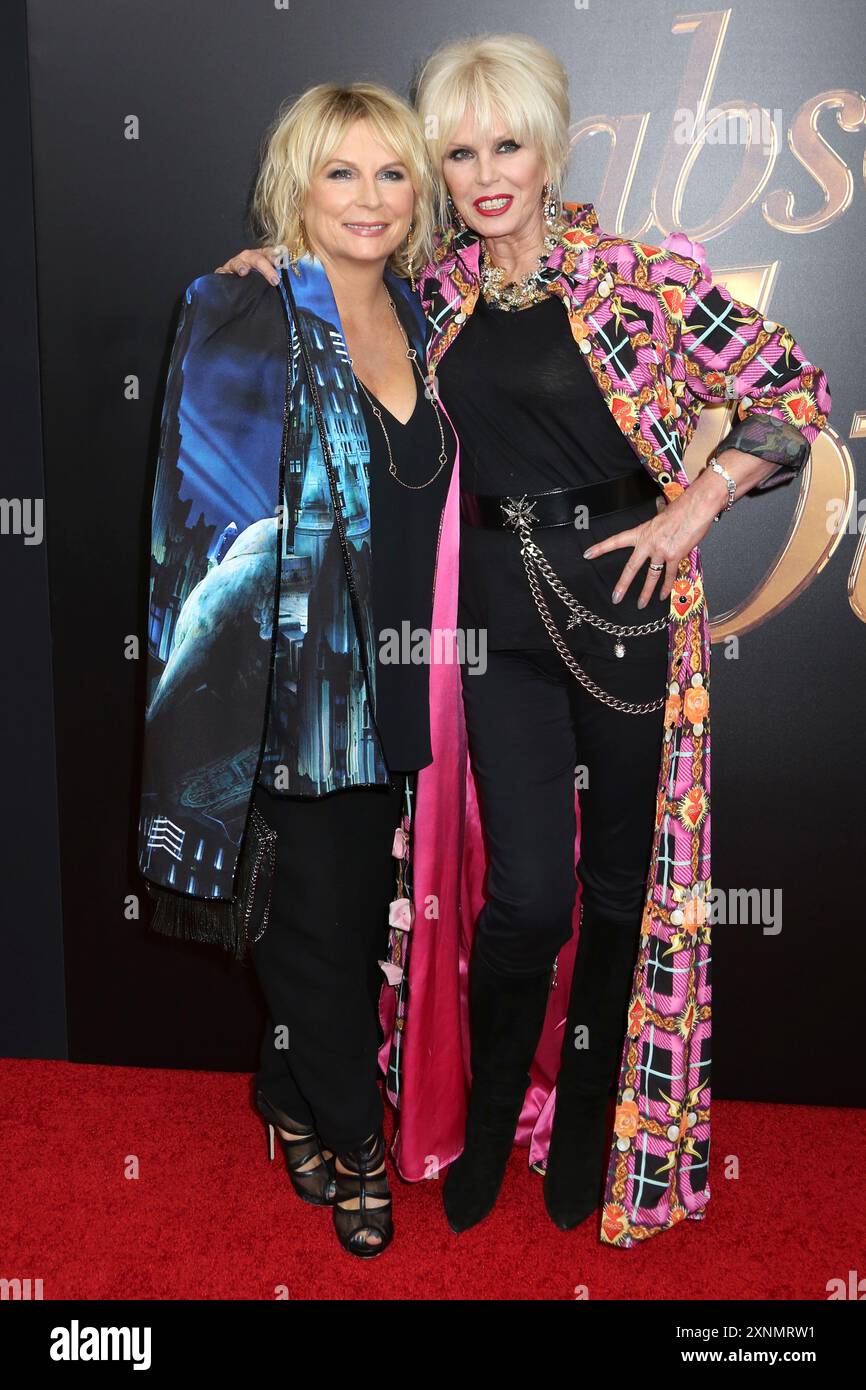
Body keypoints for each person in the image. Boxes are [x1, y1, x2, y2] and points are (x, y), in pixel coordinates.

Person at [213, 31, 830, 1248]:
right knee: (525, 900)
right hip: (484, 633)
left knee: (615, 893)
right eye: (457, 152)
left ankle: (592, 1127)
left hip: (624, 618)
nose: (485, 171)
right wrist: (266, 274)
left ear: (547, 146)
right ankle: (490, 1113)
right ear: (438, 168)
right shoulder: (428, 293)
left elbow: (789, 393)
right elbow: (336, 306)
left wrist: (695, 502)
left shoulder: (639, 277)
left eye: (506, 144)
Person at [137, 82, 456, 1258]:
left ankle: (287, 1099)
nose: (367, 198)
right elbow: (205, 531)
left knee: (347, 915)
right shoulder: (241, 307)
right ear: (296, 187)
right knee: (312, 928)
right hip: (282, 692)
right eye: (340, 172)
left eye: (389, 173)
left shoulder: (428, 316)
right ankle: (354, 1140)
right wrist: (233, 718)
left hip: (398, 686)